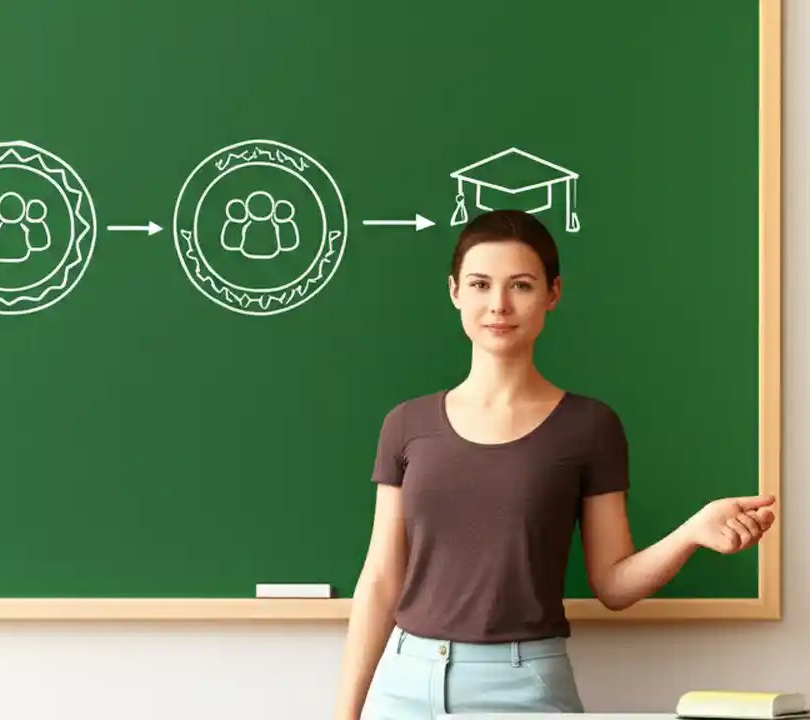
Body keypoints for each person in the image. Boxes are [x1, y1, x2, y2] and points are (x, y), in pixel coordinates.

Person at [332, 209, 777, 719]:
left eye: (520, 285)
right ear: (455, 292)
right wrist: (346, 714)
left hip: (523, 685)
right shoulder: (406, 424)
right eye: (480, 284)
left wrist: (691, 532)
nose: (498, 304)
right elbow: (381, 581)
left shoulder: (589, 426)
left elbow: (612, 584)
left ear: (553, 294)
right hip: (404, 684)